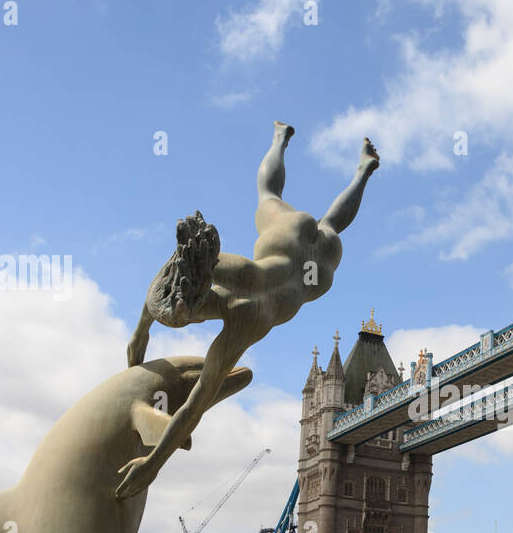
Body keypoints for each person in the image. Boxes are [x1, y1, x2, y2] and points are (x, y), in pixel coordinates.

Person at [117, 122, 378, 499]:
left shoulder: (245, 325)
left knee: (330, 224)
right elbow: (182, 267)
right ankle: (284, 140)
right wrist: (141, 331)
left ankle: (360, 170)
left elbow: (196, 403)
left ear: (199, 312)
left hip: (319, 271)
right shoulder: (227, 268)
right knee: (268, 194)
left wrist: (154, 462)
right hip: (290, 241)